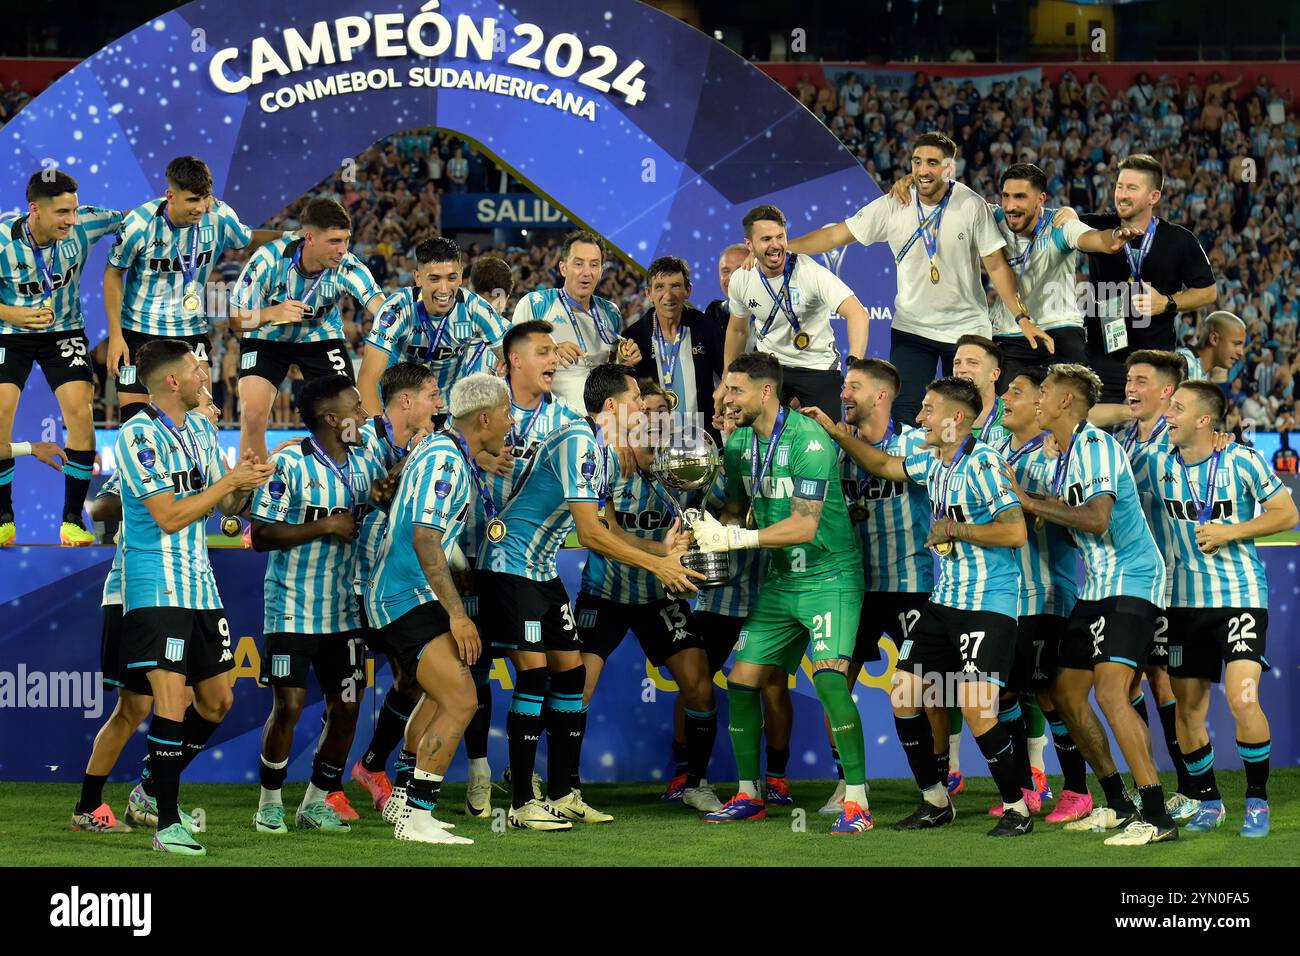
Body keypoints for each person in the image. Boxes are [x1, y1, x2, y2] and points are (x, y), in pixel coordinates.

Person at [475, 363, 701, 829]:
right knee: (536, 679)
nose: (643, 407)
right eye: (636, 399)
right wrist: (658, 563)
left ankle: (564, 791)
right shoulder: (580, 441)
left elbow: (606, 530)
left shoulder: (597, 449)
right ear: (613, 407)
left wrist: (659, 550)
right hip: (509, 564)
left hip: (538, 569)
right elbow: (592, 535)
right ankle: (521, 802)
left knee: (571, 677)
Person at [808, 376, 1033, 837]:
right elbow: (886, 466)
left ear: (955, 419)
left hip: (987, 604)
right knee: (905, 696)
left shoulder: (983, 462)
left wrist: (957, 531)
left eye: (929, 410)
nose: (921, 417)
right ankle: (935, 800)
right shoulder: (934, 460)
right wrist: (837, 434)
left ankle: (1017, 808)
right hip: (945, 601)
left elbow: (1015, 532)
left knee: (976, 708)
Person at [691, 353, 872, 835]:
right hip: (779, 582)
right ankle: (750, 793)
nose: (726, 399)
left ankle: (857, 801)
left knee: (831, 681)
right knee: (742, 680)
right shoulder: (738, 446)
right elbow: (735, 510)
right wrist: (707, 529)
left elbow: (804, 525)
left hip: (828, 577)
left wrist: (738, 539)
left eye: (735, 390)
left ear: (765, 392)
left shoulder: (810, 441)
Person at [1002, 363, 1179, 846]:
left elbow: (1098, 519)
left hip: (1134, 579)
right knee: (1066, 693)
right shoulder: (1060, 453)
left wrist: (1032, 503)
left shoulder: (1096, 444)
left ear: (1065, 402)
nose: (1036, 401)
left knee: (1109, 693)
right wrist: (1028, 499)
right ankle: (1119, 804)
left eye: (1044, 394)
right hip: (1097, 586)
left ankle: (1157, 816)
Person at [114, 339, 273, 855]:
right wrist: (228, 479)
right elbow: (169, 515)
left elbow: (223, 503)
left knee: (218, 699)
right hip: (155, 584)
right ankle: (165, 825)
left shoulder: (203, 429)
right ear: (172, 382)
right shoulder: (137, 434)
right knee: (171, 703)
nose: (206, 374)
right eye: (195, 368)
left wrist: (247, 483)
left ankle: (150, 785)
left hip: (200, 584)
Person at [783, 133, 1049, 426]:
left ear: (948, 168)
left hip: (965, 330)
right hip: (912, 329)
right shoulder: (894, 204)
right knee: (903, 415)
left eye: (932, 163)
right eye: (917, 162)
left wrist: (1022, 317)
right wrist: (783, 248)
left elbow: (997, 267)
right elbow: (836, 234)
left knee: (966, 416)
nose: (922, 170)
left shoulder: (971, 206)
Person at [1137, 381, 1297, 838]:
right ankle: (1209, 800)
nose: (1168, 413)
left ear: (1204, 420)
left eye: (1178, 408)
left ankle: (1257, 800)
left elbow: (1286, 514)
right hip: (1181, 602)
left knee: (1244, 697)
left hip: (1240, 597)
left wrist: (1229, 532)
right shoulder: (1154, 462)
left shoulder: (1242, 459)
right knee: (1187, 708)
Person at [365, 374, 515, 845]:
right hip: (406, 595)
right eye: (507, 414)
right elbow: (426, 540)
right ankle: (417, 815)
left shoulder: (440, 448)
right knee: (462, 699)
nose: (511, 423)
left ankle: (404, 801)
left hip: (405, 592)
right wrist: (458, 614)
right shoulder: (447, 460)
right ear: (485, 418)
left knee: (436, 695)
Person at [70, 395, 220, 833]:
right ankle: (101, 804)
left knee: (189, 702)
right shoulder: (142, 452)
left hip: (183, 587)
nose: (209, 403)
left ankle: (142, 793)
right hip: (132, 590)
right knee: (136, 708)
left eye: (212, 396)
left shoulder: (198, 448)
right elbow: (99, 507)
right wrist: (138, 502)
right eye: (205, 394)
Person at [248, 377, 390, 835]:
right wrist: (325, 525)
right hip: (292, 606)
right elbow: (262, 534)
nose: (364, 413)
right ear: (333, 420)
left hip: (345, 609)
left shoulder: (367, 458)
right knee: (288, 706)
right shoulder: (289, 462)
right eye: (355, 407)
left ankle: (315, 801)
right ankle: (269, 801)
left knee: (348, 705)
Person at [574, 379, 722, 812]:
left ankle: (695, 781)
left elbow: (710, 511)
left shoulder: (685, 465)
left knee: (699, 685)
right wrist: (661, 553)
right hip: (604, 593)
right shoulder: (607, 459)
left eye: (663, 413)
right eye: (646, 409)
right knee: (577, 688)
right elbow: (605, 530)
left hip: (660, 594)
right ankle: (562, 783)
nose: (654, 419)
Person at [819, 358, 947, 815]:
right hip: (853, 589)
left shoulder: (917, 441)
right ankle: (847, 782)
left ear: (881, 395)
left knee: (928, 689)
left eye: (854, 386)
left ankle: (938, 776)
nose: (844, 394)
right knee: (835, 680)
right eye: (843, 386)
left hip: (912, 584)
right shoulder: (832, 453)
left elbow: (888, 468)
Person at [886, 162, 1140, 386]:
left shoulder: (1059, 225)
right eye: (1006, 196)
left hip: (1059, 329)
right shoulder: (991, 217)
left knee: (1068, 402)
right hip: (1009, 333)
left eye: (1020, 197)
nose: (1010, 206)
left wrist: (1113, 239)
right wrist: (915, 180)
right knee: (1007, 411)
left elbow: (1091, 238)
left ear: (1041, 199)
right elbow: (950, 197)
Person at [1088, 349, 1201, 818]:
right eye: (1128, 380)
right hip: (1131, 582)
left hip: (1174, 583)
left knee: (1164, 682)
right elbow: (1084, 411)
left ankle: (1194, 791)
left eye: (1140, 381)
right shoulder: (1119, 440)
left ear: (1169, 390)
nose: (1129, 388)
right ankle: (1149, 784)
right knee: (1128, 682)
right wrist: (1130, 406)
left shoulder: (1185, 444)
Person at [0, 170, 121, 546]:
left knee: (80, 409)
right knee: (1, 410)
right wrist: (9, 313)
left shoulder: (85, 222)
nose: (71, 219)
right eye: (62, 213)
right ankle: (3, 516)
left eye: (73, 210)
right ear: (34, 209)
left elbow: (139, 218)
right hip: (10, 333)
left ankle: (72, 520)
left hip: (64, 331)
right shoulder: (3, 239)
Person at [991, 366, 1086, 820]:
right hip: (1004, 597)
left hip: (1048, 591)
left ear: (1041, 404)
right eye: (1005, 391)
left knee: (1050, 695)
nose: (1006, 398)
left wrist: (1029, 499)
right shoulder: (991, 450)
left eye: (1018, 392)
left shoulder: (1057, 457)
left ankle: (1078, 792)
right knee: (1004, 694)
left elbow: (1075, 513)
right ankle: (1030, 788)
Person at [348, 363, 443, 813]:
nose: (438, 404)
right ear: (406, 402)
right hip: (349, 583)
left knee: (412, 680)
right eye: (431, 395)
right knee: (343, 690)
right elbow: (377, 493)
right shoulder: (363, 439)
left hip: (398, 584)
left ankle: (374, 766)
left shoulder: (430, 445)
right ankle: (320, 790)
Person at [105, 156, 264, 423]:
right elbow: (113, 273)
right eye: (192, 200)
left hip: (190, 330)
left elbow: (248, 239)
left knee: (203, 417)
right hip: (138, 330)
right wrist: (115, 335)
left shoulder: (219, 215)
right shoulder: (139, 223)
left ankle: (202, 466)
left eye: (205, 198)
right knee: (136, 421)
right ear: (170, 195)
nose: (200, 208)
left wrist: (296, 237)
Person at [231, 197, 386, 461]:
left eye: (346, 240)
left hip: (320, 335)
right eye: (334, 241)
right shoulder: (268, 259)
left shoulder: (347, 266)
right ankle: (252, 489)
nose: (342, 249)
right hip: (267, 337)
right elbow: (236, 321)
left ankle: (346, 482)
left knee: (347, 413)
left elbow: (382, 309)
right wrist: (272, 313)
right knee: (253, 414)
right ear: (310, 237)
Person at [1070, 154, 1219, 403]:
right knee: (1096, 431)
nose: (1122, 194)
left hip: (1155, 364)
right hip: (1101, 359)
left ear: (1154, 197)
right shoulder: (1097, 227)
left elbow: (1208, 291)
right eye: (1119, 186)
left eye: (1132, 188)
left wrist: (1167, 302)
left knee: (1151, 435)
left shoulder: (1179, 240)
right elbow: (1059, 222)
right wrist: (1064, 213)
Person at [722, 204, 872, 415]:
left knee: (824, 441)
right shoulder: (742, 278)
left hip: (817, 368)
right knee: (761, 437)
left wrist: (855, 366)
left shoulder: (809, 272)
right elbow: (737, 330)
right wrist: (726, 380)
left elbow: (858, 313)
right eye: (766, 239)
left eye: (780, 237)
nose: (775, 245)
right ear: (750, 245)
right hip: (770, 367)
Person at [358, 237, 508, 415]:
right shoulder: (397, 309)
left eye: (451, 278)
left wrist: (506, 359)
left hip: (449, 411)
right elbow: (368, 379)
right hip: (398, 410)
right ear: (418, 278)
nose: (444, 289)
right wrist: (381, 432)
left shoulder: (476, 309)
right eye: (435, 279)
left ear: (460, 275)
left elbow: (512, 356)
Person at [510, 231, 641, 412]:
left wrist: (624, 361)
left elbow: (612, 373)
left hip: (601, 426)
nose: (586, 272)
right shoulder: (536, 304)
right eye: (578, 264)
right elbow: (511, 359)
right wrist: (549, 352)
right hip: (551, 424)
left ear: (601, 271)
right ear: (564, 268)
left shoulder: (611, 312)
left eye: (594, 265)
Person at [625, 256, 724, 434]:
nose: (668, 296)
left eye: (675, 286)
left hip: (703, 436)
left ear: (688, 291)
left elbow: (728, 374)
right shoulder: (634, 337)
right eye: (660, 287)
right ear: (649, 294)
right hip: (655, 439)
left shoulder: (706, 328)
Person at [1178, 311, 1246, 383]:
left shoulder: (1200, 371)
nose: (1241, 352)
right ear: (1214, 339)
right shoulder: (1183, 364)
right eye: (1236, 344)